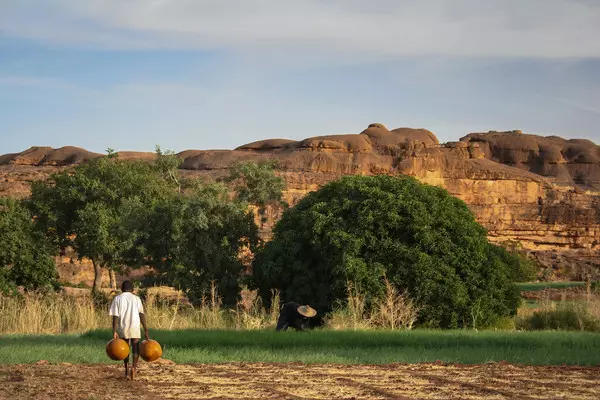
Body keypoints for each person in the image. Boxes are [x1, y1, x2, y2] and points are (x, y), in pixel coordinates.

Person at [109, 280, 149, 380]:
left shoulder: (117, 299)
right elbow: (141, 314)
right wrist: (145, 329)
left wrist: (114, 330)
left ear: (122, 289)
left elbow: (115, 317)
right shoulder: (136, 299)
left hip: (123, 326)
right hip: (135, 326)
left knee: (125, 348)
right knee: (135, 347)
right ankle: (134, 368)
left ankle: (126, 370)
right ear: (132, 289)